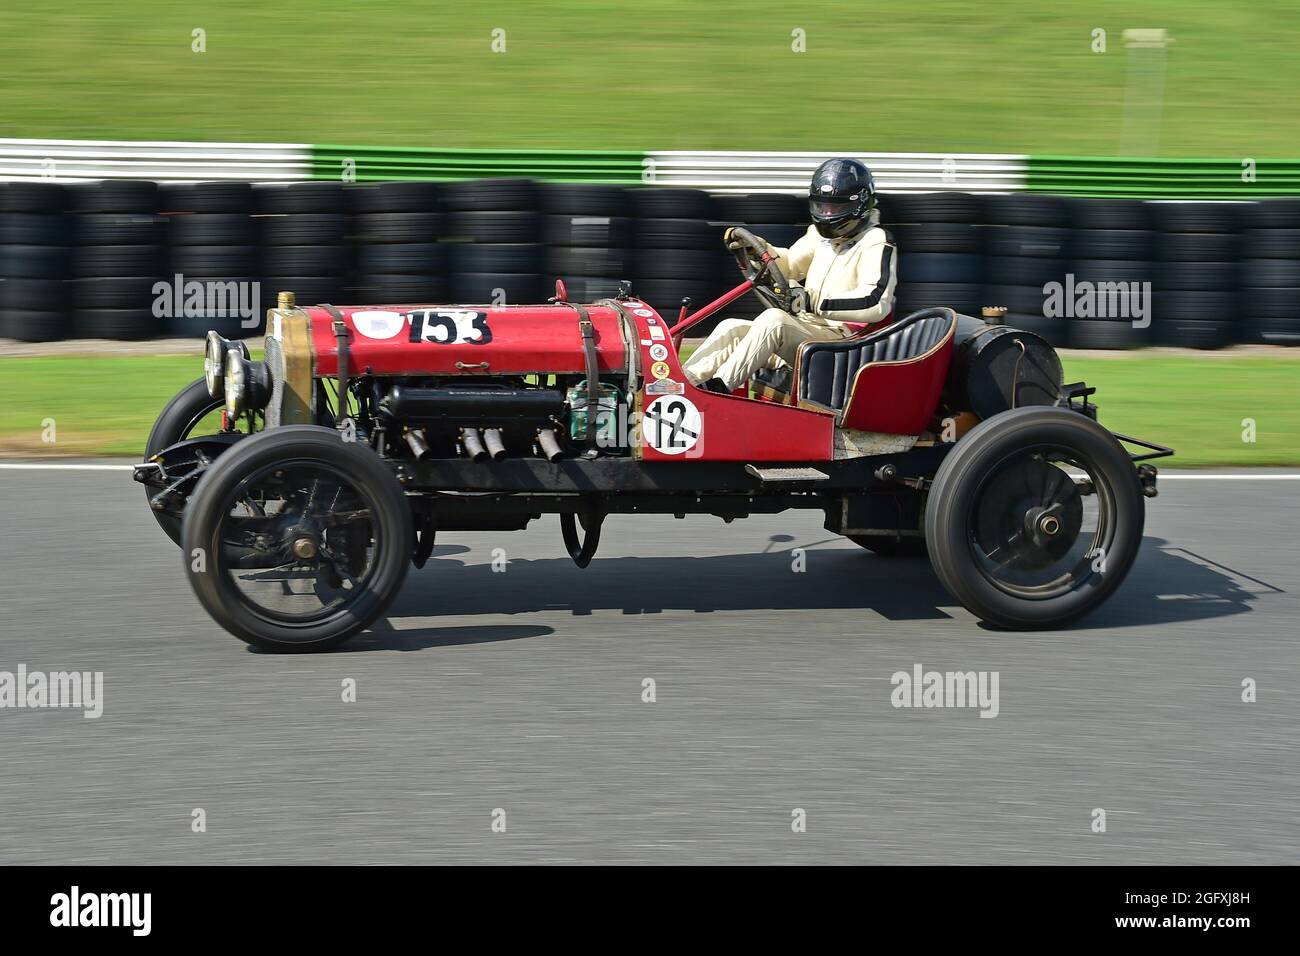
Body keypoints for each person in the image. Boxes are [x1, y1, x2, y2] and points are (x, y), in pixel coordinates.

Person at [683, 158, 898, 394]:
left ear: (857, 205)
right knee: (730, 327)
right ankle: (680, 386)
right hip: (809, 331)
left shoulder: (875, 241)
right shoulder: (820, 237)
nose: (826, 214)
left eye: (834, 208)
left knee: (774, 320)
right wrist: (761, 249)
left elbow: (877, 302)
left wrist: (812, 301)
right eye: (822, 207)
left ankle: (717, 390)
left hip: (843, 343)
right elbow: (791, 265)